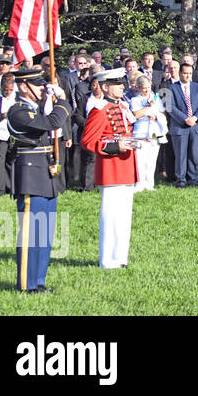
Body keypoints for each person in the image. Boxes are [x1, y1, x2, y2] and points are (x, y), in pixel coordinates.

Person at [6, 66, 71, 292]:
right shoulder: (18, 111)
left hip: (45, 174)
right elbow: (51, 123)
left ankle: (39, 280)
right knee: (31, 234)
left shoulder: (36, 109)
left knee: (45, 234)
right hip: (30, 176)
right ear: (24, 87)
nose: (43, 89)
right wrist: (62, 100)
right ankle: (26, 283)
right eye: (38, 85)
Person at [80, 68, 139, 269]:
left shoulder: (123, 106)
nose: (122, 86)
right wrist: (115, 147)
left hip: (127, 166)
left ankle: (120, 257)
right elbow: (88, 141)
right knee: (111, 215)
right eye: (117, 84)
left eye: (122, 83)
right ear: (105, 87)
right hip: (110, 167)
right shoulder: (99, 109)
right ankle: (107, 259)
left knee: (124, 216)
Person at [168, 62, 198, 187]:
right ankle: (181, 180)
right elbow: (170, 107)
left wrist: (194, 118)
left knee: (193, 154)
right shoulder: (171, 88)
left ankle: (193, 179)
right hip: (180, 126)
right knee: (180, 155)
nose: (187, 76)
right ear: (180, 73)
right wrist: (185, 119)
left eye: (190, 73)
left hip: (195, 126)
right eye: (185, 73)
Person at [128, 73, 168, 192]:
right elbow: (136, 115)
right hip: (140, 133)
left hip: (154, 132)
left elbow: (162, 113)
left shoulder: (156, 98)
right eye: (143, 88)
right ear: (139, 88)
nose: (146, 90)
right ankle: (139, 184)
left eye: (148, 87)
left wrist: (156, 117)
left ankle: (149, 184)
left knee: (151, 160)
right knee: (140, 160)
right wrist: (147, 108)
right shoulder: (135, 100)